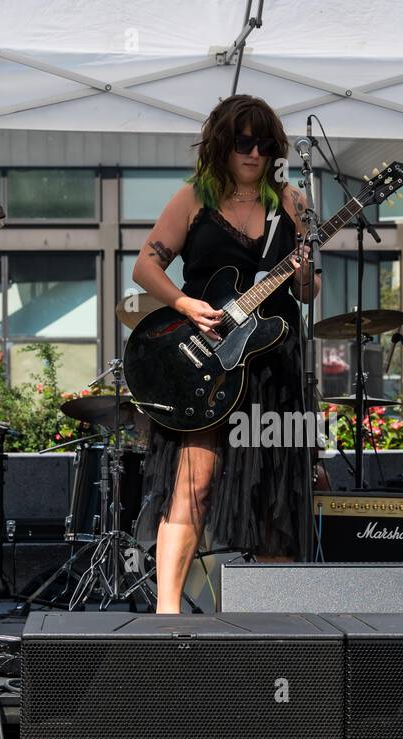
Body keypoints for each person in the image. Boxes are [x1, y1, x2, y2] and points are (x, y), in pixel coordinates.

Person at [131, 94, 319, 613]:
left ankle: (277, 621)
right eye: (243, 142)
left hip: (272, 359)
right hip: (208, 357)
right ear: (222, 144)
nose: (254, 152)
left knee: (274, 488)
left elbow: (307, 292)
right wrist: (185, 304)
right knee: (195, 479)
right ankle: (167, 616)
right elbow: (145, 268)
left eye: (264, 143)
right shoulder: (195, 198)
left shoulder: (292, 202)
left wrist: (304, 268)